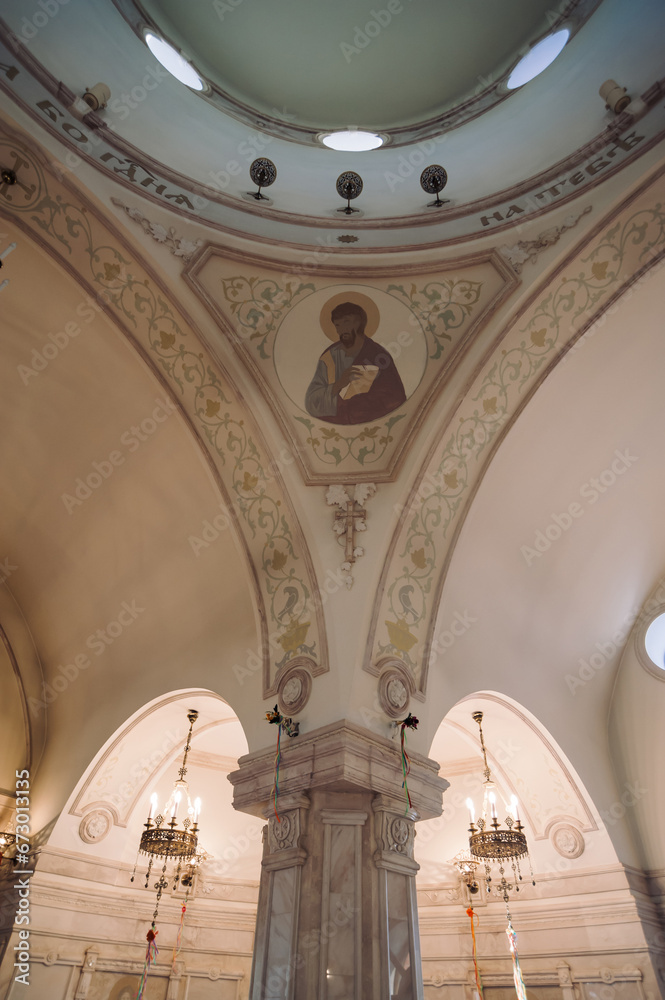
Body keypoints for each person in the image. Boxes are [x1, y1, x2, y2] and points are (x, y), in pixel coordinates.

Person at [305, 302, 406, 425]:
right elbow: (311, 401)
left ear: (359, 323)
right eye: (337, 325)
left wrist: (355, 406)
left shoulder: (378, 355)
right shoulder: (329, 356)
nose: (341, 329)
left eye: (346, 322)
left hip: (370, 423)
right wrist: (338, 385)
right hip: (333, 424)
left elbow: (395, 397)